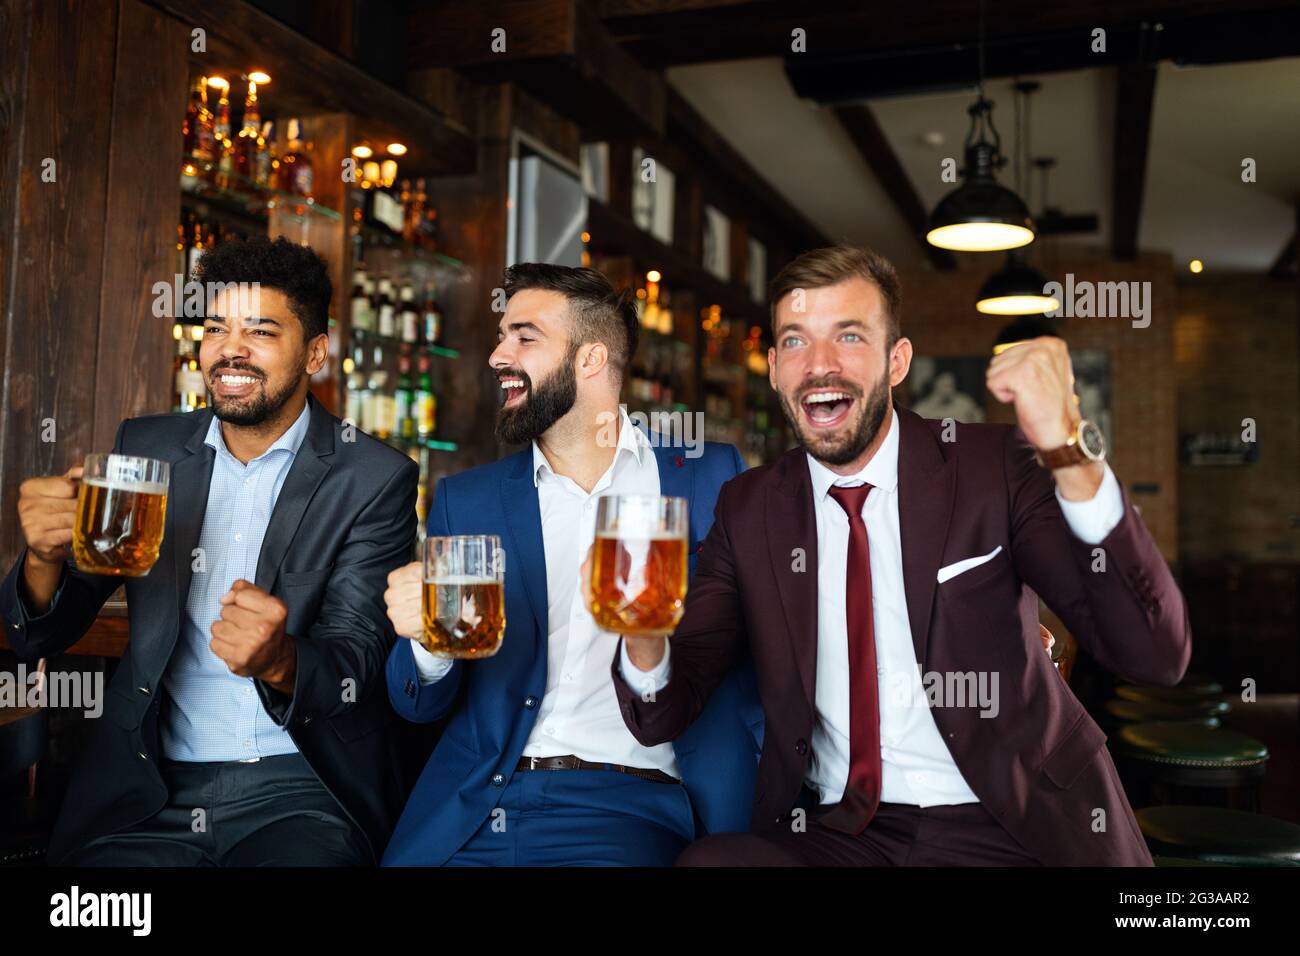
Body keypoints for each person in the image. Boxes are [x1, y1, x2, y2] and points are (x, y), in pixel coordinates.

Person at [612, 245, 1192, 866]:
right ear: (776, 368)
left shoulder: (989, 468)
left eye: (850, 337)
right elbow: (666, 708)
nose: (820, 366)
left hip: (1011, 823)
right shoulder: (748, 507)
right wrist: (643, 639)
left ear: (897, 361)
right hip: (842, 832)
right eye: (796, 342)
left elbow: (1155, 654)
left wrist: (1069, 451)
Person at [1, 237, 416, 865]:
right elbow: (41, 635)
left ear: (316, 353)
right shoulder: (148, 450)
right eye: (216, 327)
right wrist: (43, 559)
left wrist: (280, 661)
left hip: (301, 792)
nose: (231, 349)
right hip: (148, 795)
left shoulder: (371, 476)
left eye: (261, 331)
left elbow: (359, 663)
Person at [381, 264, 762, 866]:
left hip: (633, 804)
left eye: (525, 337)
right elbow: (418, 704)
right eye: (502, 335)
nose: (498, 355)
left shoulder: (711, 477)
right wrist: (430, 641)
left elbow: (762, 644)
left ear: (590, 359)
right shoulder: (468, 499)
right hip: (479, 805)